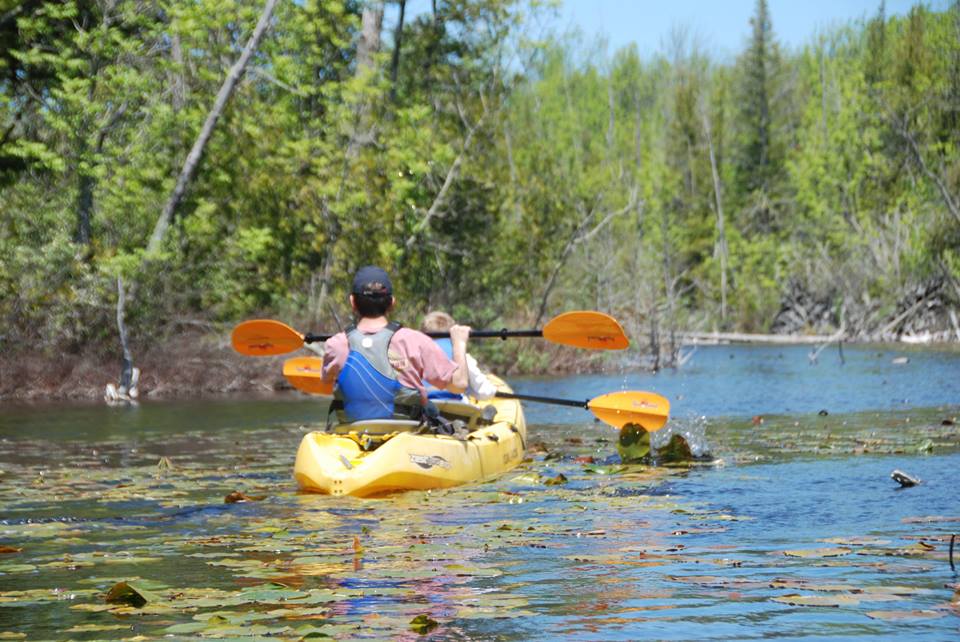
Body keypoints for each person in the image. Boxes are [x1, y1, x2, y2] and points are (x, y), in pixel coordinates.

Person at [321, 266, 471, 423]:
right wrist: (459, 343)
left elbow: (328, 386)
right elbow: (459, 385)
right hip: (405, 433)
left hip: (353, 432)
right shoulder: (414, 341)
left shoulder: (336, 345)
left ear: (352, 302)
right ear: (392, 303)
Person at [420, 311, 497, 401]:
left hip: (421, 407)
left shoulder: (413, 354)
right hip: (454, 409)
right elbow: (486, 392)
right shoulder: (461, 357)